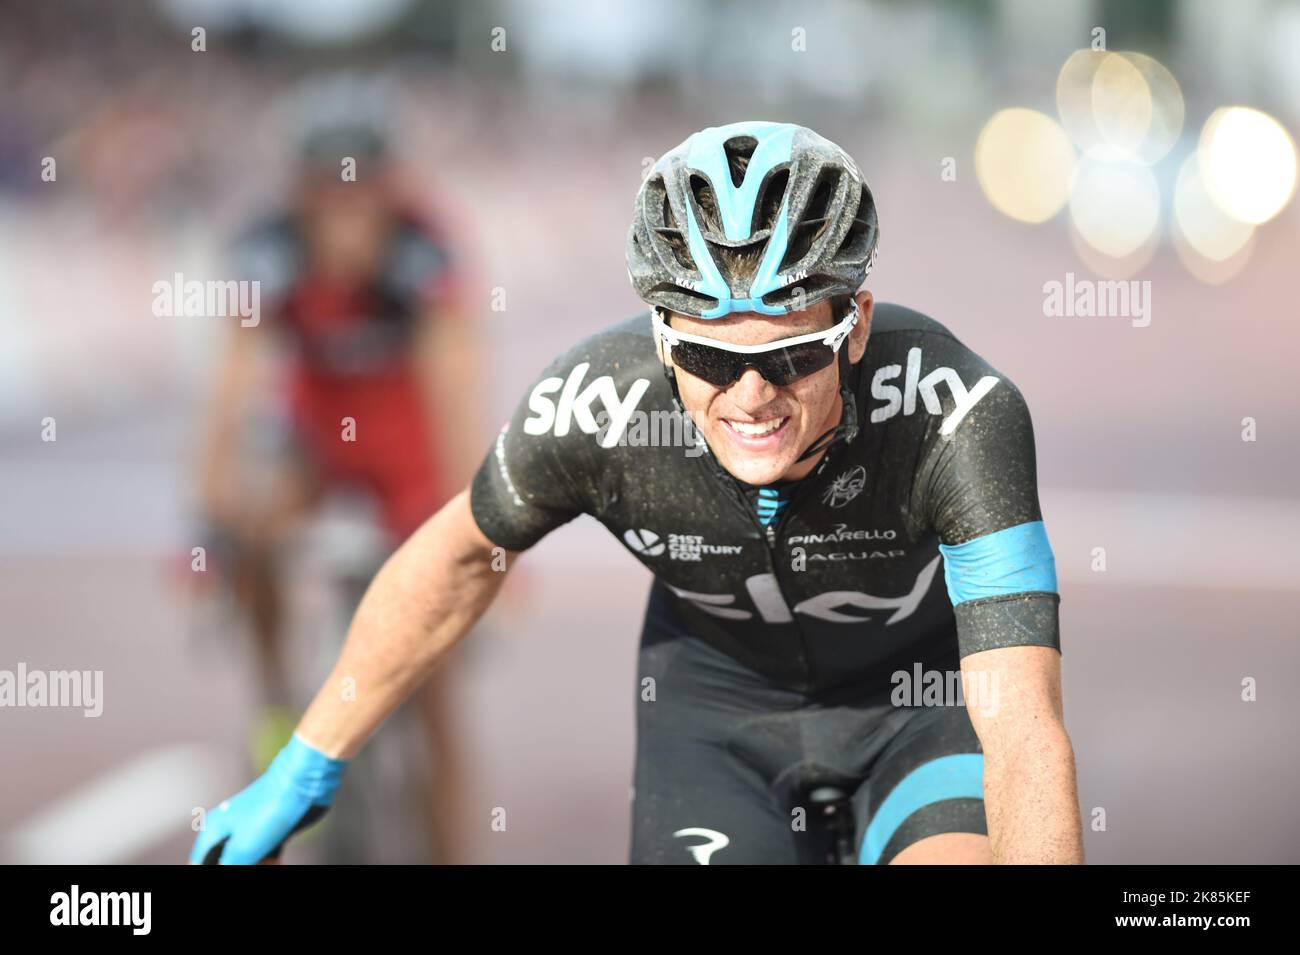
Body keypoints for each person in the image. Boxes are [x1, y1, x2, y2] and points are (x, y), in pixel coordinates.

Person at [191, 121, 1083, 865]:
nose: (751, 398)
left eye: (791, 354)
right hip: (715, 715)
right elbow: (459, 555)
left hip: (915, 705)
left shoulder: (956, 411)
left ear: (855, 330)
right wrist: (308, 756)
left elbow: (1022, 730)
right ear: (661, 339)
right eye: (708, 358)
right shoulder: (597, 403)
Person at [193, 99, 479, 863]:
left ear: (393, 193)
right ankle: (276, 699)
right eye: (328, 198)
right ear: (299, 197)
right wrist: (211, 514)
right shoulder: (265, 248)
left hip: (404, 446)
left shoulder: (427, 251)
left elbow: (456, 389)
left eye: (362, 199)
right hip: (313, 441)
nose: (346, 220)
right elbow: (230, 389)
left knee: (437, 681)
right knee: (248, 523)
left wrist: (481, 519)